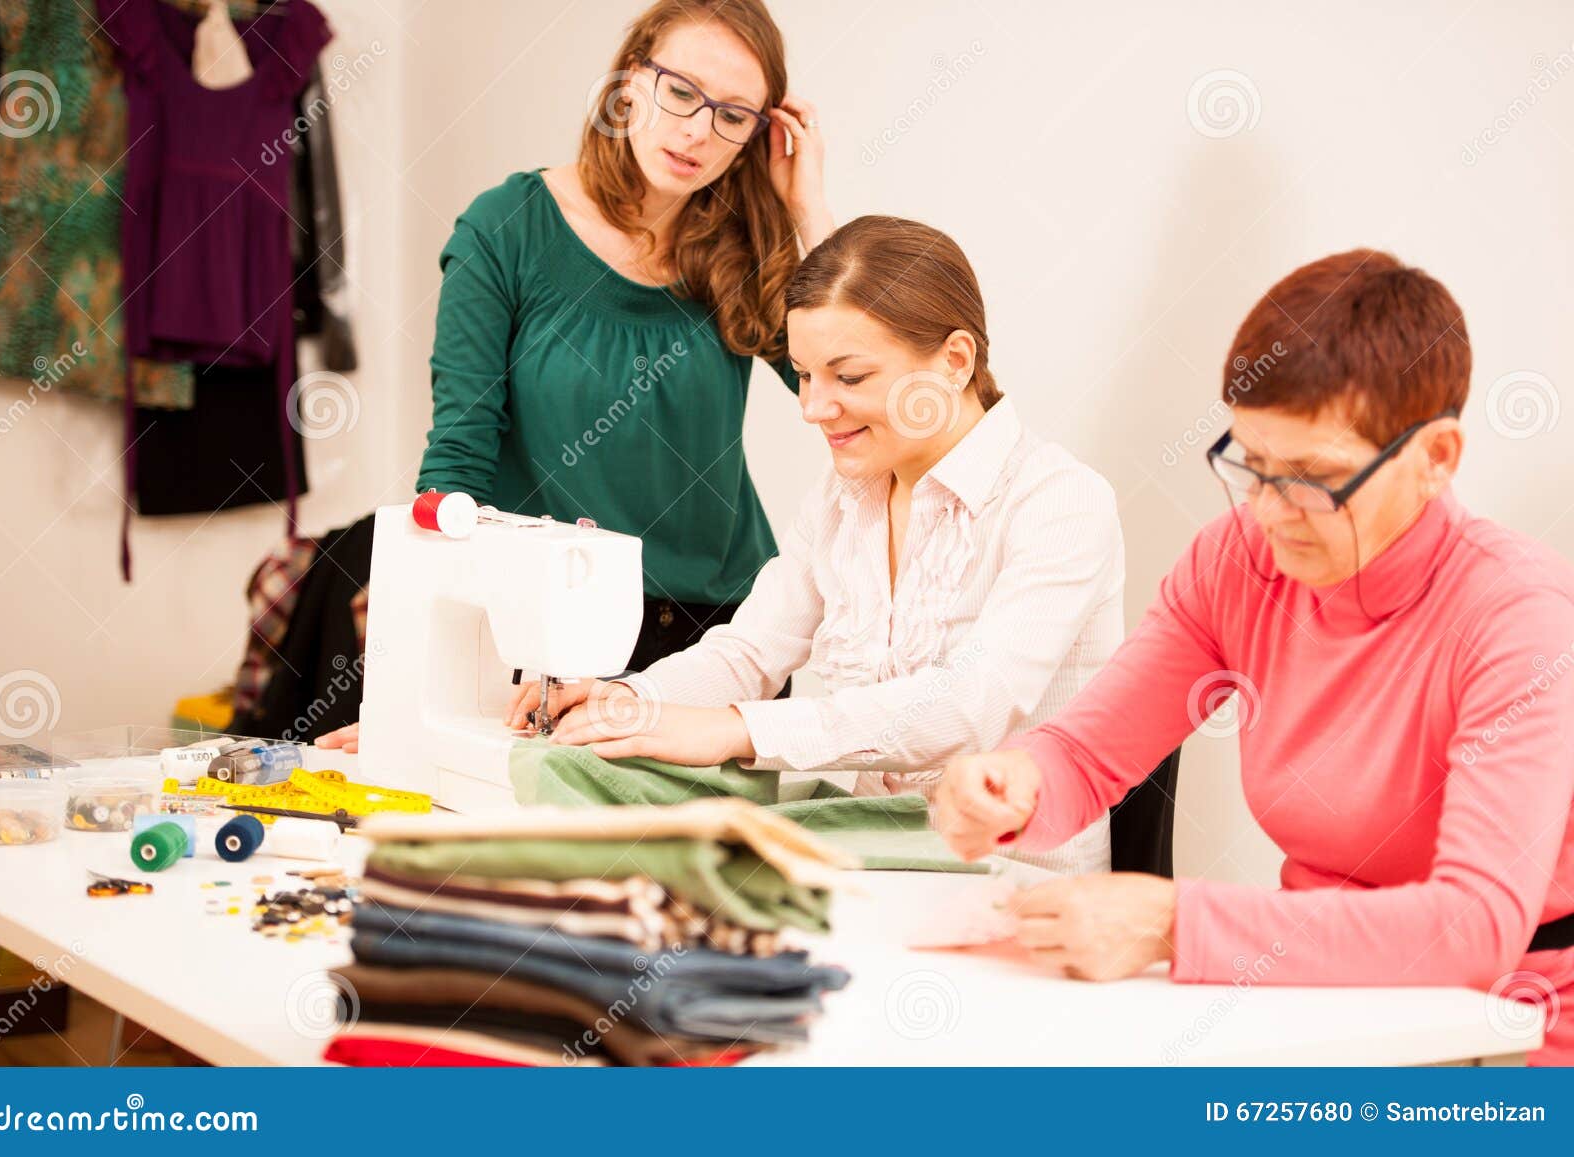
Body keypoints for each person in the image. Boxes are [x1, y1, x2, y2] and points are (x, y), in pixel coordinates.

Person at [934, 248, 1574, 1065]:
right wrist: (1012, 785)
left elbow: (1475, 927)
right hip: (1317, 996)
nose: (1270, 512)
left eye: (1314, 478)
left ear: (1437, 457)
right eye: (1252, 465)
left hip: (1521, 1017)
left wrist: (1173, 922)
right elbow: (1088, 755)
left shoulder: (1517, 616)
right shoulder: (1237, 559)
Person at [520, 216, 1125, 874]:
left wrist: (735, 727)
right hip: (867, 850)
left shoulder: (1060, 502)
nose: (813, 407)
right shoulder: (846, 498)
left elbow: (965, 703)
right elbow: (749, 654)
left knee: (689, 864)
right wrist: (628, 701)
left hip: (1006, 876)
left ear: (955, 361)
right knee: (583, 781)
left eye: (850, 377)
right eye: (805, 374)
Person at [319, 0, 829, 755]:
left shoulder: (739, 244)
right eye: (680, 92)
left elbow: (842, 380)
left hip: (721, 639)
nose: (697, 130)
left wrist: (808, 213)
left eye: (733, 115)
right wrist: (412, 691)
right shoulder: (507, 229)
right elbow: (457, 462)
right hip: (559, 636)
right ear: (628, 86)